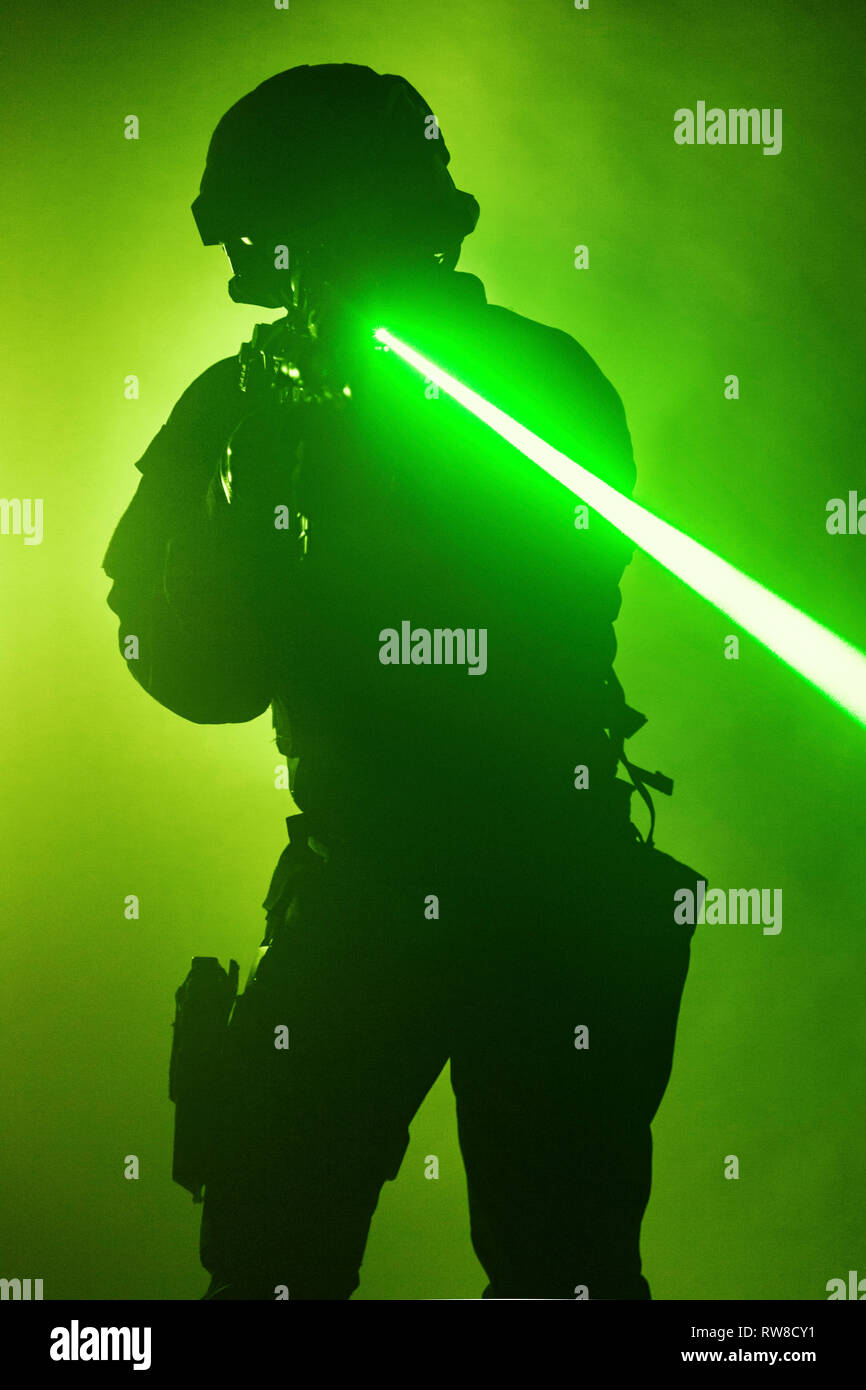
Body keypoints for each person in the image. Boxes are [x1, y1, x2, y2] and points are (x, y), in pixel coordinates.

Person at [102, 63, 699, 1300]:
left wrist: (289, 482)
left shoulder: (519, 383)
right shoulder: (250, 408)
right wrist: (228, 498)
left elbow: (523, 600)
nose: (250, 286)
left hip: (534, 885)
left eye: (272, 246)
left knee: (560, 1269)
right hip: (378, 882)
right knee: (268, 1252)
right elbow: (202, 672)